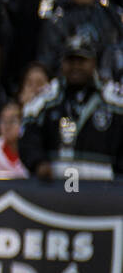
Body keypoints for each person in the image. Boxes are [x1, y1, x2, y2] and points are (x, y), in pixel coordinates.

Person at [20, 33, 123, 179]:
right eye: (70, 60)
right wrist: (38, 163)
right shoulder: (45, 100)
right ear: (62, 63)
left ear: (94, 62)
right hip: (55, 193)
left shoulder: (114, 99)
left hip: (103, 193)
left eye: (81, 61)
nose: (75, 66)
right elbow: (28, 138)